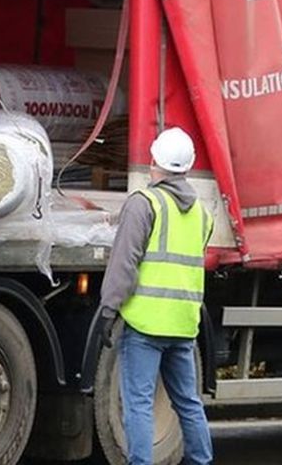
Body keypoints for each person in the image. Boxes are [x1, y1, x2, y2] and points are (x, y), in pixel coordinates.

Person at [98, 127, 214, 465]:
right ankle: (201, 461)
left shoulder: (144, 203)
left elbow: (125, 262)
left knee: (138, 403)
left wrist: (108, 308)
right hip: (182, 326)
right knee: (188, 403)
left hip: (145, 326)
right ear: (188, 166)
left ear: (153, 162)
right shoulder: (201, 214)